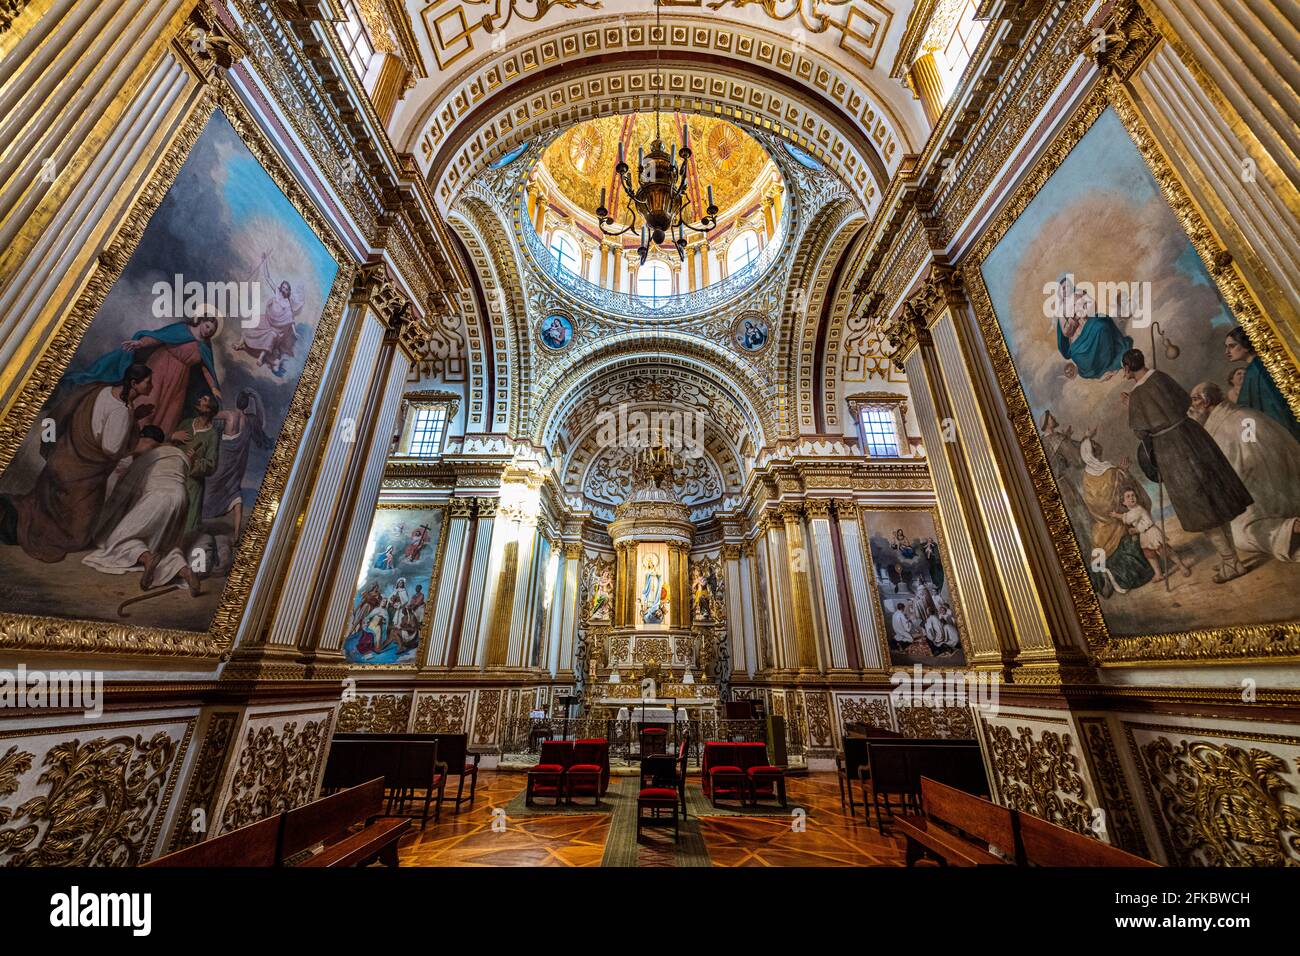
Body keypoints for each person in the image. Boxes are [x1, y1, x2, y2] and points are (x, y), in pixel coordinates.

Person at [0, 364, 154, 562]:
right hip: (82, 476)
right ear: (134, 383)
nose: (151, 386)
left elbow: (98, 421)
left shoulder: (103, 390)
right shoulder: (121, 411)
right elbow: (112, 449)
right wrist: (137, 446)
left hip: (61, 459)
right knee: (75, 536)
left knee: (41, 506)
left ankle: (10, 516)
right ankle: (11, 526)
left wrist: (134, 415)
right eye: (148, 382)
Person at [1122, 348, 1252, 583]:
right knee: (1215, 499)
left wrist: (1130, 405)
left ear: (1127, 368)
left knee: (1201, 507)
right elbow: (1184, 401)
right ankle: (1232, 559)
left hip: (1171, 450)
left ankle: (1231, 562)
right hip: (1192, 436)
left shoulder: (1137, 394)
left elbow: (1141, 432)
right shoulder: (1160, 376)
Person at [81, 425, 202, 595]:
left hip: (158, 497)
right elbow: (184, 469)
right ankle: (185, 571)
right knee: (164, 546)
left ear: (146, 439)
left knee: (117, 538)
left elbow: (122, 494)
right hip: (181, 499)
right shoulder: (179, 454)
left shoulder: (147, 457)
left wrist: (103, 521)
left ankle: (146, 558)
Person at [1190, 381, 1300, 561]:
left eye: (1194, 400)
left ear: (1207, 401)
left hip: (1273, 493)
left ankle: (1292, 528)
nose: (1191, 406)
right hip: (1287, 486)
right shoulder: (1242, 414)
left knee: (1240, 534)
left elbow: (1235, 473)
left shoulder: (1227, 425)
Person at [69, 307, 221, 437]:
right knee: (149, 399)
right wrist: (140, 343)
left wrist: (213, 387)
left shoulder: (205, 347)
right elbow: (159, 338)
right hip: (161, 367)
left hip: (179, 380)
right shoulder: (181, 330)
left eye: (212, 331)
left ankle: (151, 440)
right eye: (207, 326)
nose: (208, 332)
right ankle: (126, 433)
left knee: (169, 410)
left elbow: (206, 368)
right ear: (201, 321)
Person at [202, 388, 271, 536]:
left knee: (210, 483)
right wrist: (256, 397)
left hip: (224, 459)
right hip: (237, 464)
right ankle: (236, 533)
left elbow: (209, 417)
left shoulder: (228, 414)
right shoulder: (250, 420)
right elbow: (261, 420)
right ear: (247, 404)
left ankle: (202, 515)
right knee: (234, 492)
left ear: (236, 401)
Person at [1224, 326, 1300, 441]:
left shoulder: (1257, 370)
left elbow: (1275, 406)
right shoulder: (1256, 368)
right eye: (1226, 347)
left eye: (1232, 346)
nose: (1227, 352)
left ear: (1245, 345)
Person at [1052, 276, 1132, 380]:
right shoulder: (1061, 309)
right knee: (1077, 354)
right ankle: (1100, 369)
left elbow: (1093, 304)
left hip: (1090, 323)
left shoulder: (1080, 294)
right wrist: (1075, 318)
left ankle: (1108, 363)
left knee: (1102, 327)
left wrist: (1085, 312)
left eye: (1067, 286)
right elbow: (1066, 331)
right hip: (1078, 336)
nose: (1066, 290)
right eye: (1063, 288)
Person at [236, 255, 304, 376]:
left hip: (276, 328)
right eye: (283, 287)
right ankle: (240, 343)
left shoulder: (288, 304)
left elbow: (291, 319)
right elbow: (267, 278)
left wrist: (294, 332)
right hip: (267, 320)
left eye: (286, 289)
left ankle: (261, 358)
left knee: (272, 335)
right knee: (253, 324)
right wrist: (264, 261)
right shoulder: (277, 293)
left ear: (289, 291)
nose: (284, 290)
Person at [1112, 487, 1192, 581]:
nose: (1131, 498)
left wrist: (1118, 516)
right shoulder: (1130, 512)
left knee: (1165, 550)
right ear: (1124, 502)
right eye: (1128, 496)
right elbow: (1129, 518)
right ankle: (1158, 573)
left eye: (1133, 495)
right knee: (1149, 554)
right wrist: (1135, 529)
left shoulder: (1138, 509)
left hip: (1152, 532)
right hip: (1144, 535)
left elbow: (1130, 519)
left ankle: (1181, 566)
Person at [172, 394, 219, 538]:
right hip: (174, 476)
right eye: (200, 398)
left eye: (204, 400)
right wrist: (172, 436)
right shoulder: (186, 423)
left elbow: (211, 465)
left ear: (210, 410)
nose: (198, 400)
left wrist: (194, 461)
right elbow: (169, 446)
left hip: (192, 484)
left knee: (186, 526)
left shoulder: (212, 435)